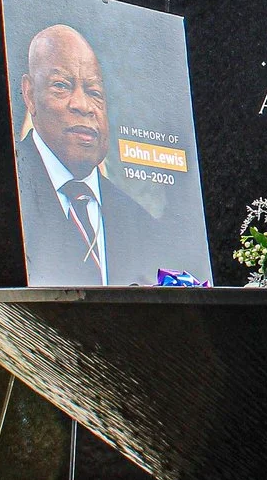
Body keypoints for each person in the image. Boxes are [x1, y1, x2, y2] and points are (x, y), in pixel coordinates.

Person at [17, 25, 166, 286]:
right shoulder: (10, 185)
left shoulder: (140, 223)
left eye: (94, 92)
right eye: (61, 86)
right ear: (30, 94)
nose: (83, 105)